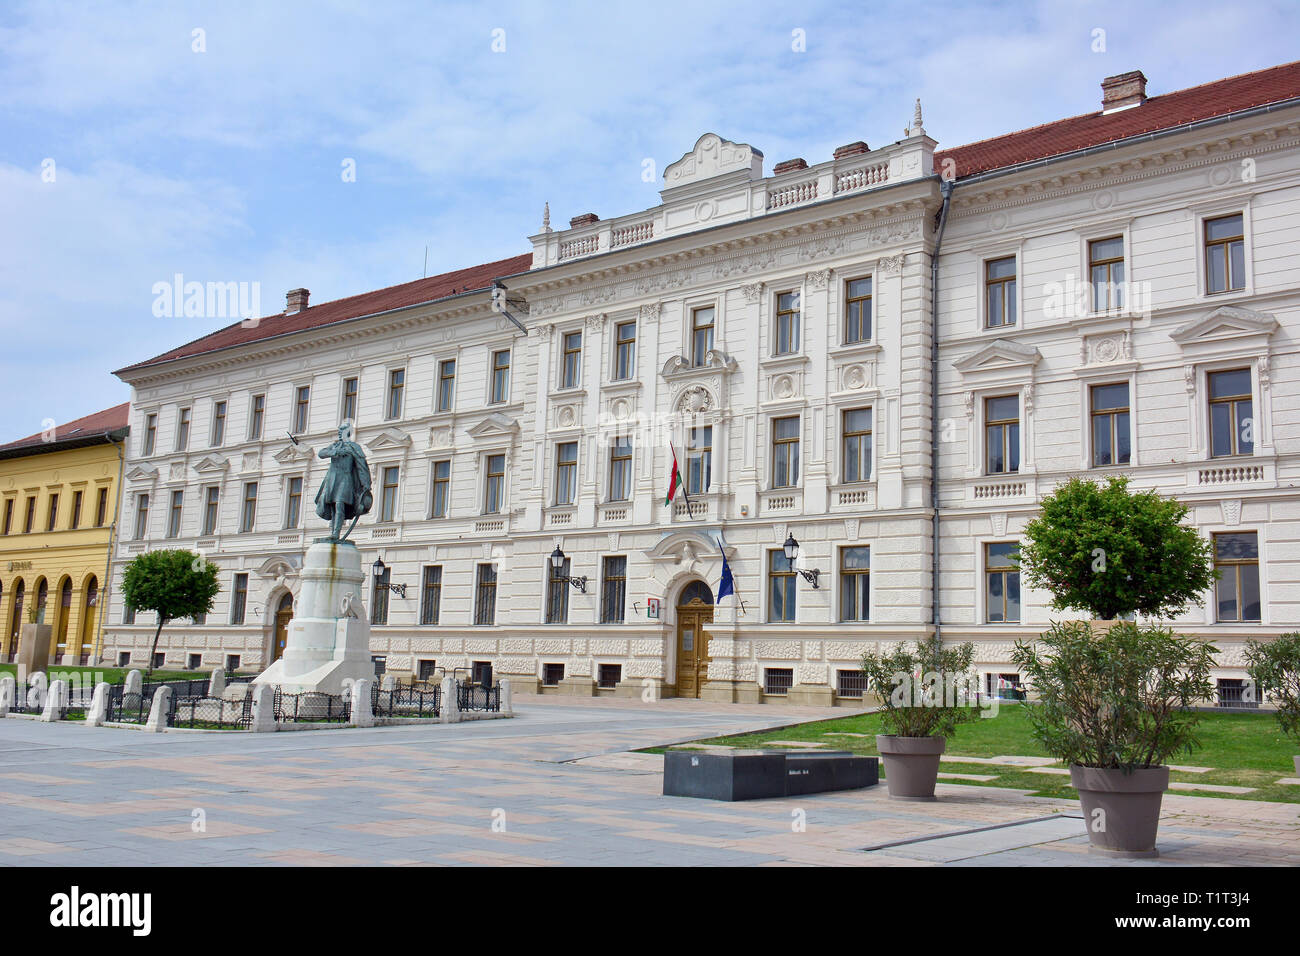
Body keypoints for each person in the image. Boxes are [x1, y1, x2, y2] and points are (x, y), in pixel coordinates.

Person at [314, 423, 373, 540]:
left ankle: (336, 533)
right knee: (332, 506)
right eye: (339, 431)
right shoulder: (335, 446)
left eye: (343, 430)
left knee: (340, 504)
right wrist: (335, 452)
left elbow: (362, 466)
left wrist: (366, 483)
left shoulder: (354, 447)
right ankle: (333, 533)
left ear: (349, 432)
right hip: (332, 480)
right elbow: (321, 453)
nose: (340, 433)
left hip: (345, 480)